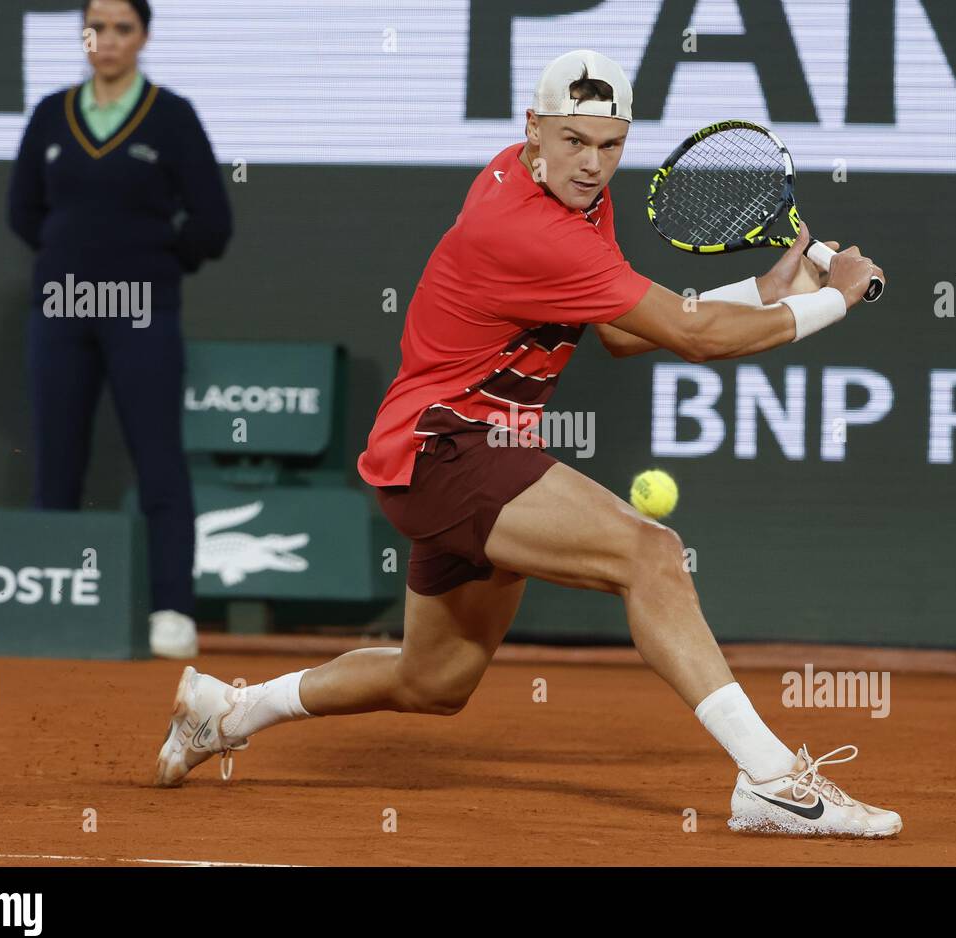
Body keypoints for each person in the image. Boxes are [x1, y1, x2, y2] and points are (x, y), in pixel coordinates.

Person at [155, 50, 899, 837]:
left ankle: (228, 713)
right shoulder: (522, 225)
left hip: (448, 458)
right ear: (532, 128)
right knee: (649, 555)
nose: (592, 163)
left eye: (610, 145)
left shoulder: (561, 193)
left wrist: (761, 292)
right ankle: (772, 779)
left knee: (432, 680)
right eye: (574, 140)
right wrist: (836, 303)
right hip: (445, 448)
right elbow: (692, 338)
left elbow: (614, 329)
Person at [7, 0, 232, 659]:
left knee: (159, 461)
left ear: (144, 37)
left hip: (142, 309)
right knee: (55, 462)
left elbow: (213, 222)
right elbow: (24, 211)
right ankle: (52, 603)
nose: (106, 40)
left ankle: (171, 610)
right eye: (96, 27)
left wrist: (156, 262)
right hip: (61, 309)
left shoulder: (172, 116)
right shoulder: (50, 113)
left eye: (122, 28)